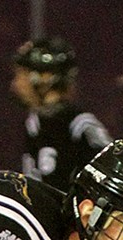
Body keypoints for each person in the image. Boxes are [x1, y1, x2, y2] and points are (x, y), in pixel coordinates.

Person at [11, 35, 111, 192]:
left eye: (22, 75)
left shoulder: (79, 123)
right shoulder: (35, 122)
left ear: (44, 77)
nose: (16, 84)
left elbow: (110, 172)